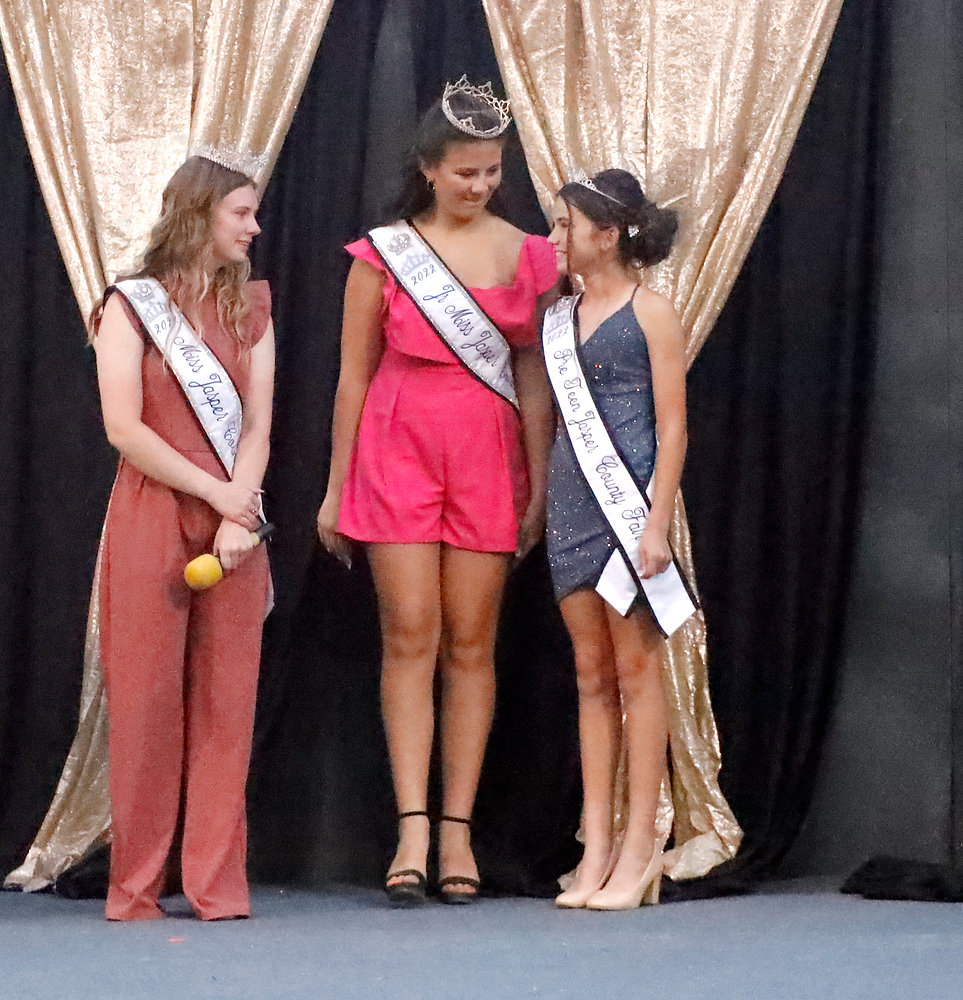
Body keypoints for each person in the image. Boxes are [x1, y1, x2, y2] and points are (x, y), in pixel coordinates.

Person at [316, 78, 558, 904]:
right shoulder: (382, 256)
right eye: (464, 172)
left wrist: (539, 482)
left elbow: (533, 369)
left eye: (492, 171)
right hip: (397, 442)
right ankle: (410, 827)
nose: (480, 185)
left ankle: (458, 831)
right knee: (410, 635)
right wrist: (333, 484)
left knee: (471, 643)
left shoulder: (530, 255)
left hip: (488, 449)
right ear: (426, 168)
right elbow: (352, 375)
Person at [89, 151, 274, 921]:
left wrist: (240, 513)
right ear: (199, 216)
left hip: (235, 513)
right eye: (241, 213)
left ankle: (216, 885)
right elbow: (123, 428)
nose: (254, 228)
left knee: (229, 702)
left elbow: (260, 423)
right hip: (153, 506)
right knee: (144, 703)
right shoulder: (130, 307)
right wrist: (219, 495)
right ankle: (134, 886)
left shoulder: (252, 306)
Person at [542, 169, 688, 910]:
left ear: (607, 234)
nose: (553, 238)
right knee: (589, 678)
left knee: (636, 674)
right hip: (570, 506)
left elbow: (673, 426)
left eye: (564, 225)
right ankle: (594, 846)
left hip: (630, 511)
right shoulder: (557, 320)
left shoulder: (651, 311)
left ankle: (641, 848)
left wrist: (657, 522)